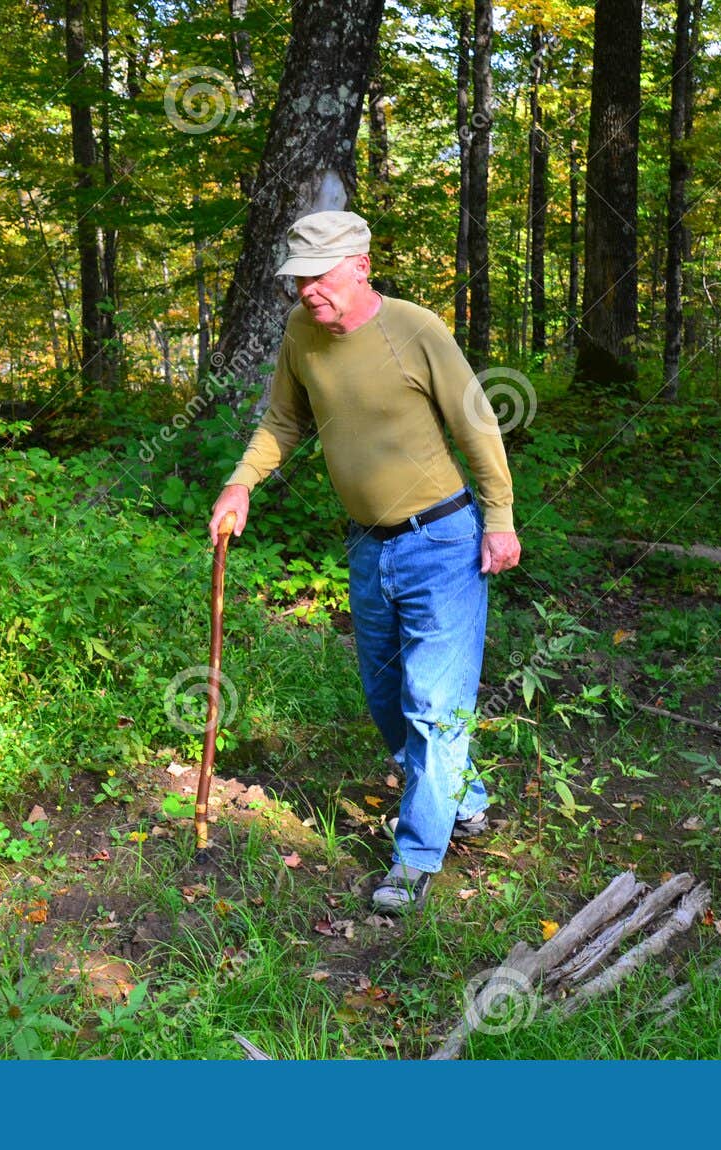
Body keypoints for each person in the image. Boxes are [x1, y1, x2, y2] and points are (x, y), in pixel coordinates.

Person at [208, 209, 521, 911]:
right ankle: (462, 798)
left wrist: (498, 519)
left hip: (442, 540)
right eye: (298, 282)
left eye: (319, 278)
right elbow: (284, 421)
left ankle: (414, 858)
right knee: (387, 702)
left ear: (361, 266)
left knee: (435, 706)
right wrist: (241, 481)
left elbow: (476, 421)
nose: (307, 293)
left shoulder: (416, 329)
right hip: (367, 546)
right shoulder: (301, 336)